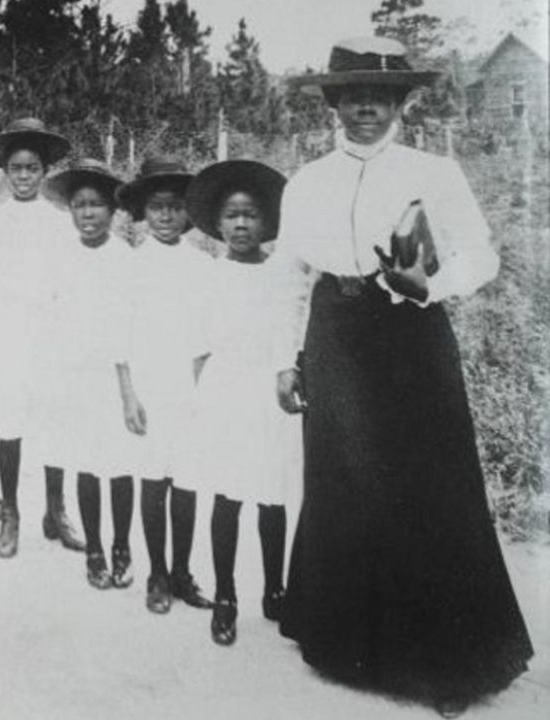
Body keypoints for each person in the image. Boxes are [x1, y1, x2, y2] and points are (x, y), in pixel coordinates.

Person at [273, 37, 531, 716]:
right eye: (353, 95)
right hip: (335, 333)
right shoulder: (307, 181)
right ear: (333, 102)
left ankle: (451, 664)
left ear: (401, 103)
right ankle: (345, 645)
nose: (366, 108)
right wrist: (284, 359)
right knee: (344, 477)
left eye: (380, 96)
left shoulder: (434, 172)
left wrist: (430, 285)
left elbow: (481, 255)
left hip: (410, 332)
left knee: (428, 482)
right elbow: (290, 276)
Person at [180, 159, 295, 646]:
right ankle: (226, 595)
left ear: (268, 222)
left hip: (268, 390)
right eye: (232, 216)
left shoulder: (282, 273)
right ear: (218, 223)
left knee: (272, 495)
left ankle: (275, 589)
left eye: (251, 215)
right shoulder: (211, 275)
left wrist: (286, 375)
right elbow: (198, 345)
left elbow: (289, 329)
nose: (242, 224)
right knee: (227, 495)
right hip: (226, 390)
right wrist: (205, 401)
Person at [29, 159, 138, 589]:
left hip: (117, 375)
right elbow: (47, 318)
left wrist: (129, 388)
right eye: (79, 205)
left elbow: (131, 324)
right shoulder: (59, 258)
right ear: (70, 211)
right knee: (87, 463)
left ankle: (122, 547)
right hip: (74, 375)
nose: (88, 213)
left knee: (121, 464)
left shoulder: (125, 258)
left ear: (112, 210)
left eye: (96, 205)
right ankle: (94, 548)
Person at [0, 117, 85, 557]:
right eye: (16, 168)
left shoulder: (59, 223)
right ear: (6, 172)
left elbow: (71, 290)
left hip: (50, 336)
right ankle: (11, 516)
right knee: (10, 426)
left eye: (32, 168)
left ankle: (55, 510)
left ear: (44, 172)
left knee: (55, 424)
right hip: (11, 334)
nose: (24, 176)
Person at [115, 156, 215, 613]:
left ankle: (182, 572)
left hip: (190, 383)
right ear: (143, 212)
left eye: (176, 207)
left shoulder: (202, 264)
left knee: (187, 479)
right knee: (155, 478)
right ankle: (156, 571)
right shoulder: (133, 265)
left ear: (188, 212)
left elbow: (209, 334)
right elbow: (119, 338)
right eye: (157, 207)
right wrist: (129, 395)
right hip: (148, 382)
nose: (167, 216)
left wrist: (204, 392)